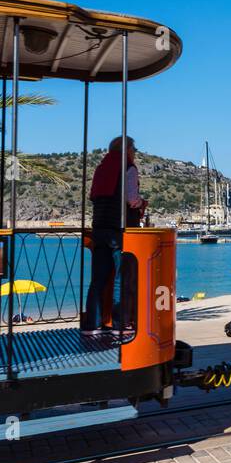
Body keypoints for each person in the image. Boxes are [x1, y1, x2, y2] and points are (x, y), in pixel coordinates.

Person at [82, 136, 148, 336]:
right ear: (127, 149)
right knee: (122, 278)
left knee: (98, 279)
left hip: (99, 229)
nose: (135, 152)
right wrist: (142, 203)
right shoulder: (128, 169)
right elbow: (131, 199)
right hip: (120, 231)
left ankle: (92, 324)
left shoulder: (101, 169)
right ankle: (120, 324)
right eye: (134, 148)